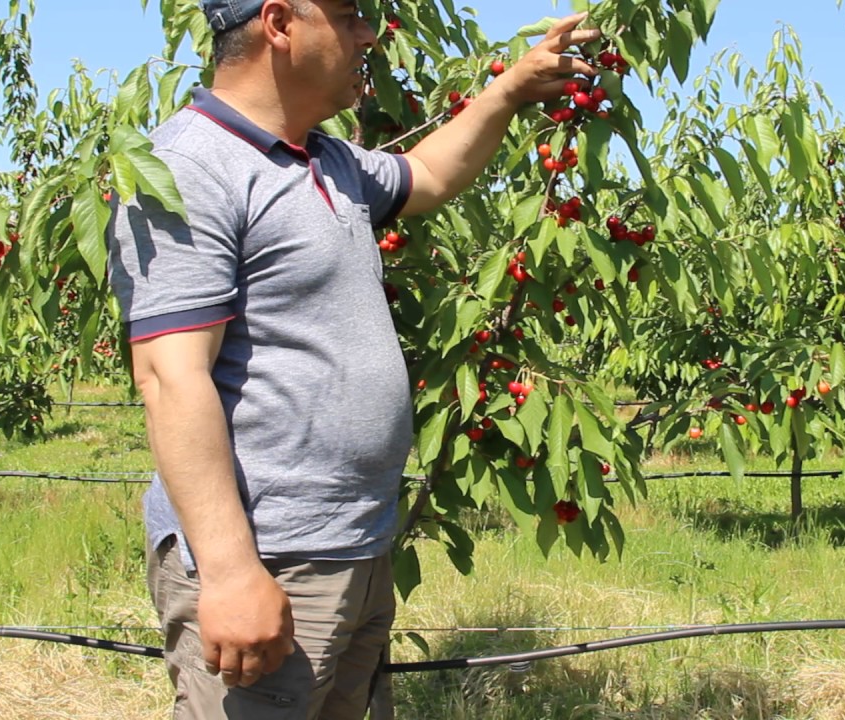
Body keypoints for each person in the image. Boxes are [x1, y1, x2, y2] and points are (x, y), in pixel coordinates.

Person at [106, 1, 601, 717]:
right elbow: (169, 376)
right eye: (346, 15)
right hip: (271, 555)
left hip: (355, 546)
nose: (368, 33)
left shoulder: (327, 159)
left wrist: (509, 89)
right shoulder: (189, 165)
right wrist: (230, 571)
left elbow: (427, 175)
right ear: (278, 23)